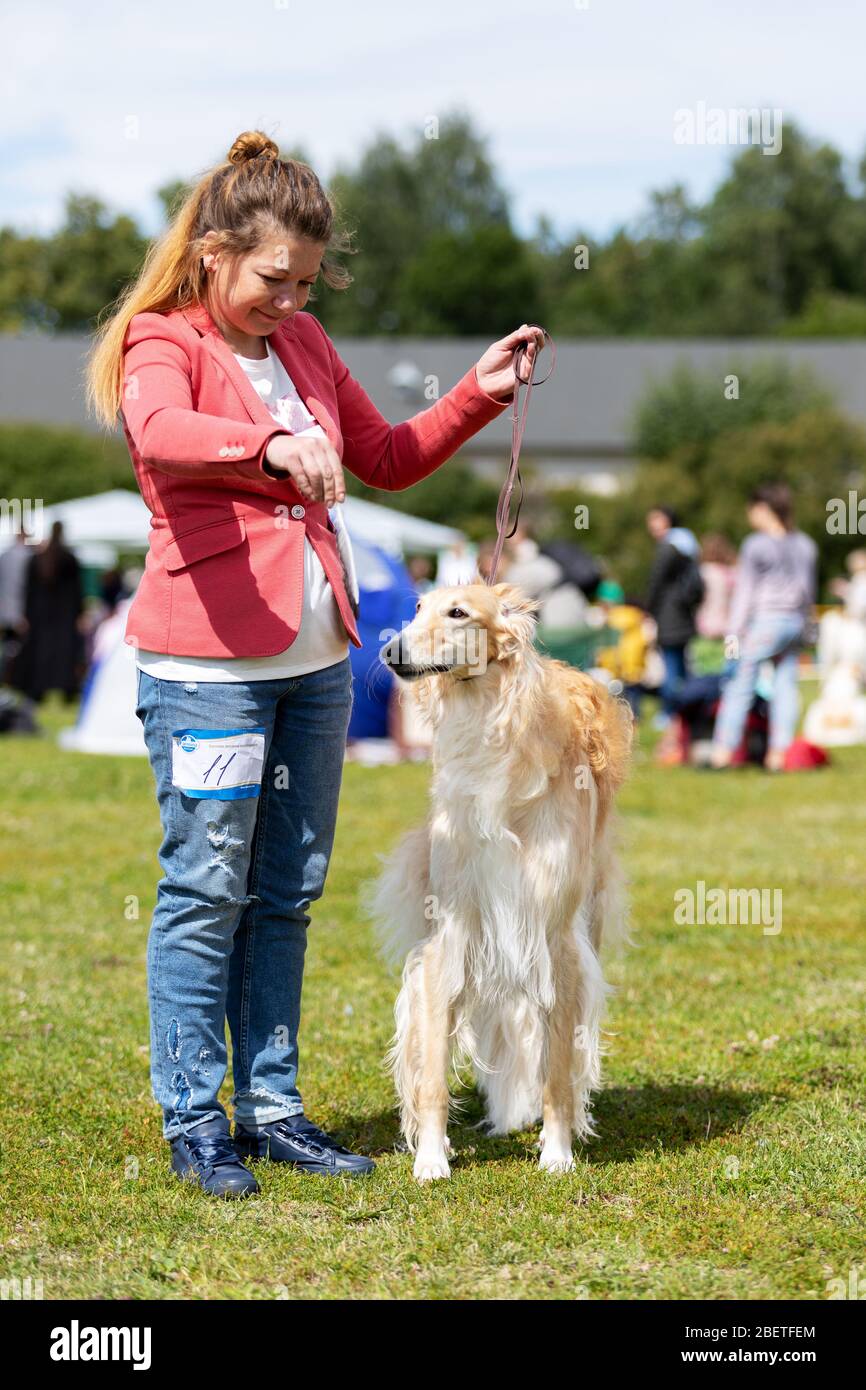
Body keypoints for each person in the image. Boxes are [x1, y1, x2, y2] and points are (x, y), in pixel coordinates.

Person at [85, 127, 545, 1199]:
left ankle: (275, 1106)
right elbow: (158, 435)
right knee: (206, 888)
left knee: (286, 890)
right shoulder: (163, 340)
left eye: (303, 283)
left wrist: (473, 391)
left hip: (315, 663)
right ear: (213, 254)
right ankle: (195, 1117)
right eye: (270, 279)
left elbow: (382, 455)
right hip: (206, 670)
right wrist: (268, 448)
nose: (288, 300)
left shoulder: (303, 346)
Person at [710, 483, 818, 772]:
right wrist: (808, 626)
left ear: (763, 509)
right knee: (785, 686)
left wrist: (733, 633)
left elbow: (745, 591)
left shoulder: (756, 544)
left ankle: (722, 752)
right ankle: (778, 755)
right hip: (794, 621)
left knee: (739, 684)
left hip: (766, 621)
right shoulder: (805, 544)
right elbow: (809, 591)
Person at [7, 522, 85, 704]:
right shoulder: (69, 559)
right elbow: (76, 591)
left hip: (38, 614)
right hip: (65, 614)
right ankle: (67, 691)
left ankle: (37, 690)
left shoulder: (37, 559)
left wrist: (25, 614)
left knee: (39, 653)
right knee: (65, 654)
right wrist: (79, 613)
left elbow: (28, 591)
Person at [644, 506, 704, 725]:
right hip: (684, 614)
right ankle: (690, 711)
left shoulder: (668, 548)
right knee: (684, 667)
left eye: (656, 519)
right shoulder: (688, 545)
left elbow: (656, 582)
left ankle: (670, 713)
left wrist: (648, 609)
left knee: (670, 668)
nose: (651, 524)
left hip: (669, 616)